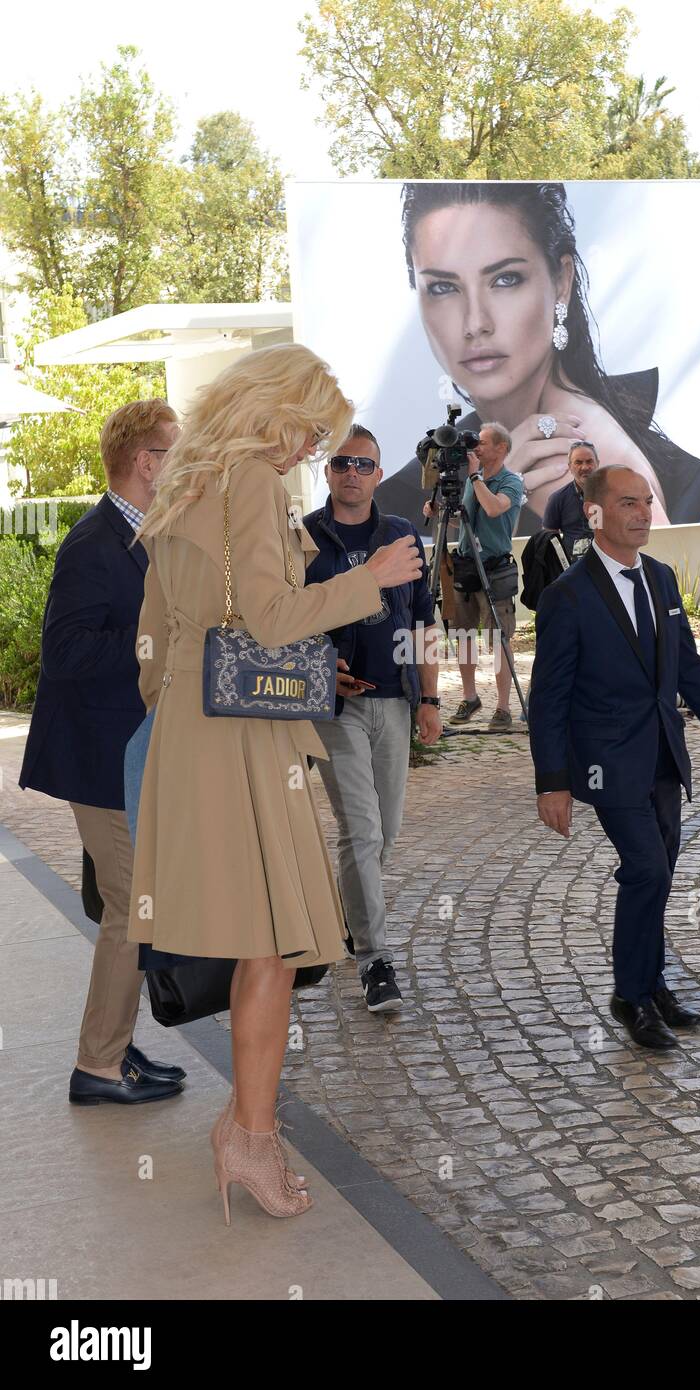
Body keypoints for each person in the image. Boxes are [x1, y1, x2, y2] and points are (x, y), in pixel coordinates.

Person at [128, 345, 422, 1223]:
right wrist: (368, 580)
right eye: (304, 431)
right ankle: (248, 1138)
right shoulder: (250, 477)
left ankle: (245, 1131)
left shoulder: (184, 479)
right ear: (272, 410)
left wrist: (186, 707)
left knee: (269, 940)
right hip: (244, 741)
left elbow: (152, 637)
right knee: (276, 943)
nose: (306, 452)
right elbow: (268, 614)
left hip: (195, 727)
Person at [376, 181, 700, 533]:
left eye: (505, 279)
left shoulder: (576, 446)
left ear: (562, 280)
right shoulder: (437, 468)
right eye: (444, 288)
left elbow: (661, 581)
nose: (475, 322)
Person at [529, 464, 700, 1051]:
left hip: (662, 754)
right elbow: (549, 697)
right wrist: (551, 782)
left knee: (658, 875)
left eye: (646, 501)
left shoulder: (662, 578)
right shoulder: (568, 596)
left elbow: (689, 670)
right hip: (606, 762)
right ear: (596, 513)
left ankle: (650, 984)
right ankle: (631, 995)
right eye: (628, 503)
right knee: (648, 870)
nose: (642, 513)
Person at [19, 399, 188, 1107]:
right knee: (130, 907)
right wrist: (162, 644)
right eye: (175, 452)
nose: (185, 464)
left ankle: (113, 1045)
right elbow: (64, 652)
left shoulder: (150, 533)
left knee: (128, 904)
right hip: (99, 758)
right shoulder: (94, 543)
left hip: (131, 758)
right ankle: (97, 1066)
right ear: (146, 462)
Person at [304, 424, 442, 1012]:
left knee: (384, 832)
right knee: (360, 829)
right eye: (342, 464)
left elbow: (423, 623)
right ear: (327, 471)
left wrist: (431, 699)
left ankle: (349, 923)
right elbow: (284, 618)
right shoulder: (306, 538)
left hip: (394, 699)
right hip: (333, 707)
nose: (352, 473)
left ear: (379, 474)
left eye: (364, 465)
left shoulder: (403, 535)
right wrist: (316, 664)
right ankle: (375, 959)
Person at [423, 421, 523, 728]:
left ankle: (504, 707)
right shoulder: (470, 481)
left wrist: (476, 476)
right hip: (465, 567)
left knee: (499, 640)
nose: (473, 448)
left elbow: (493, 509)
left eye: (481, 443)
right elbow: (463, 520)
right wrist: (439, 514)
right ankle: (470, 697)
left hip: (494, 569)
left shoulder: (510, 482)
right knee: (463, 637)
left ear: (501, 448)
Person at [542, 439, 599, 551]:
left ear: (598, 463)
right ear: (570, 466)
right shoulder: (557, 499)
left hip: (609, 564)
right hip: (574, 565)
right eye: (578, 462)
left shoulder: (613, 495)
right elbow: (549, 539)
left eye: (589, 461)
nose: (584, 467)